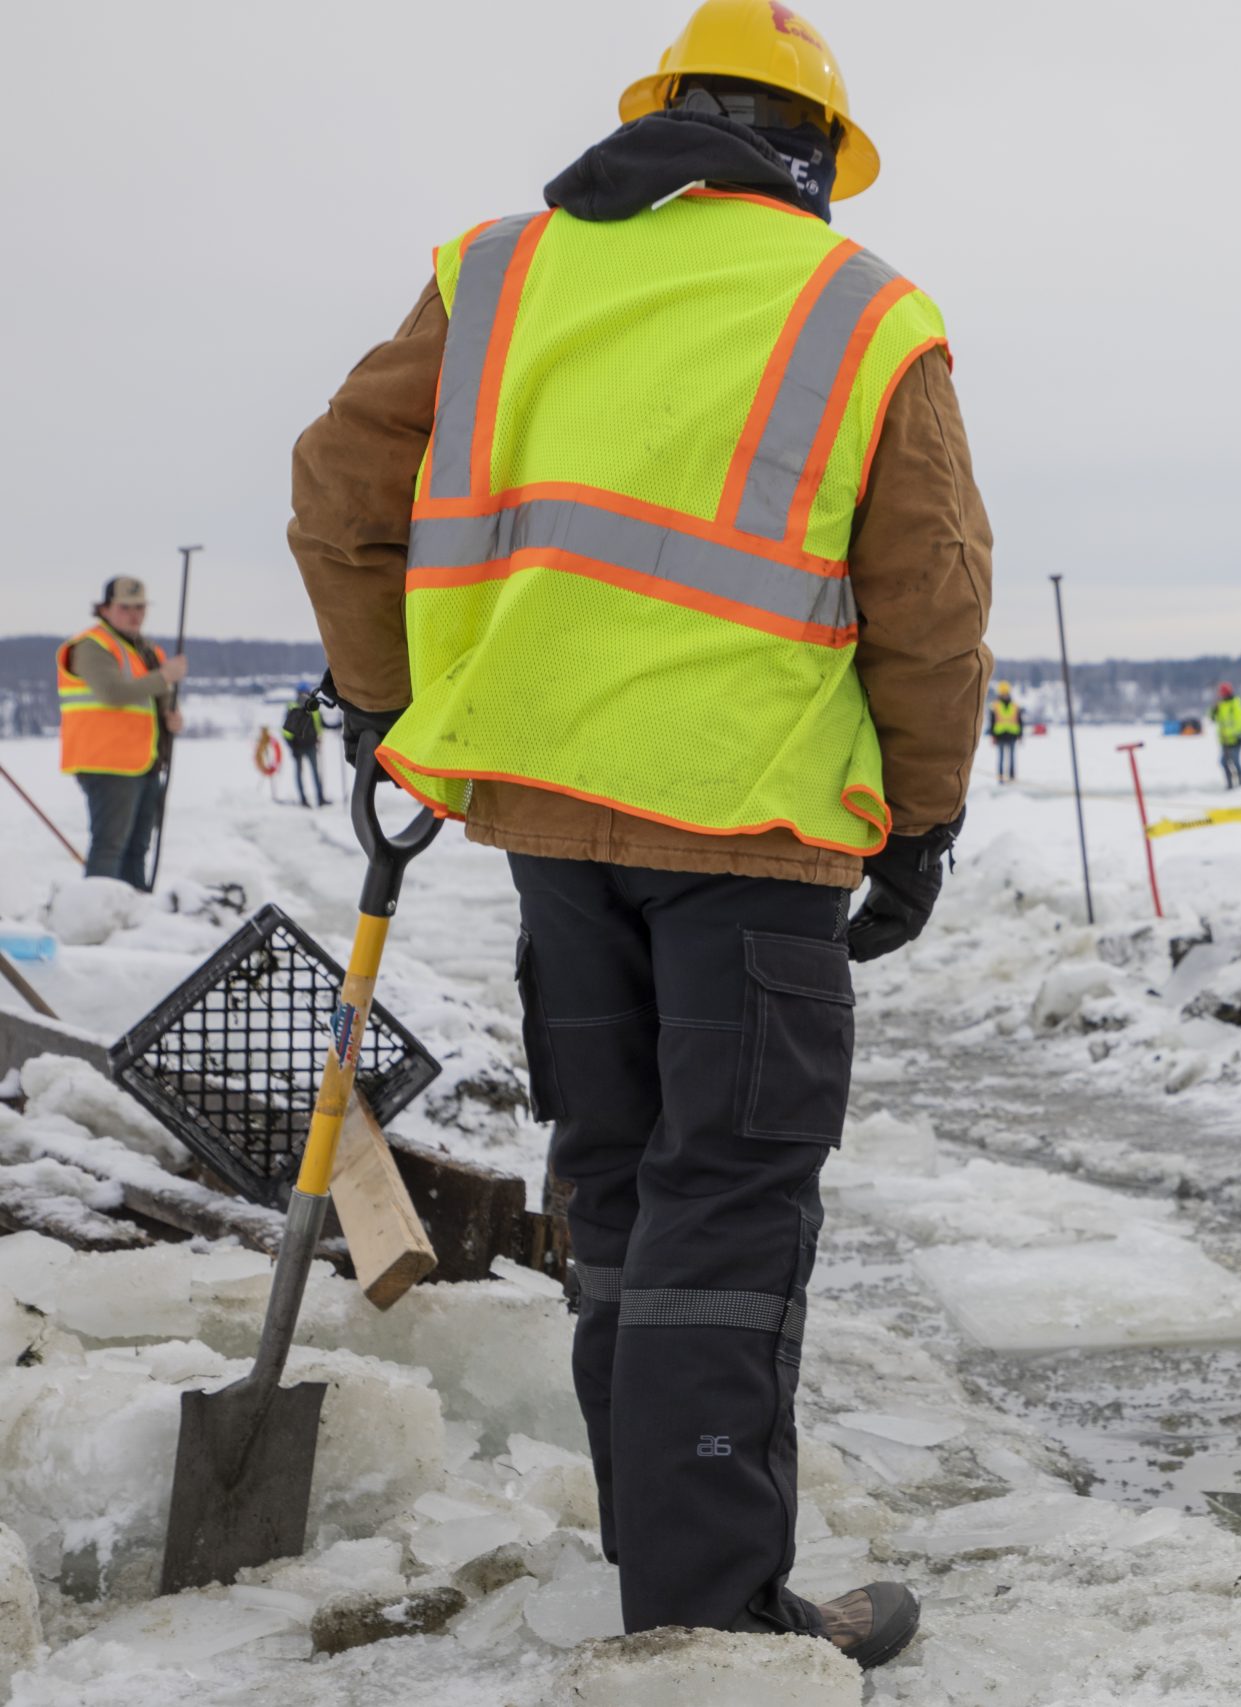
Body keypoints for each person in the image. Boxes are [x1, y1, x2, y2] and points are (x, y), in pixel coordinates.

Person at [285, 0, 991, 1668]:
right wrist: (922, 823)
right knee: (729, 1194)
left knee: (615, 1173)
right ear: (812, 155)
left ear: (667, 119)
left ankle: (665, 1559)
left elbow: (337, 488)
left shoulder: (498, 273)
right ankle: (709, 1610)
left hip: (550, 820)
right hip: (748, 827)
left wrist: (398, 706)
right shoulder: (863, 314)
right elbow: (932, 598)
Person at [56, 576, 185, 888]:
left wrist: (171, 718)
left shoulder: (147, 650)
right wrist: (164, 677)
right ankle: (97, 916)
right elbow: (112, 692)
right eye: (126, 607)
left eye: (140, 607)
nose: (134, 614)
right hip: (106, 763)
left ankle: (134, 911)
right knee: (110, 846)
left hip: (145, 761)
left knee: (137, 848)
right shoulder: (92, 645)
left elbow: (151, 703)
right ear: (105, 608)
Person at [281, 682, 331, 808]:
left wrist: (338, 725)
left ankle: (319, 798)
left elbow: (321, 724)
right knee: (301, 773)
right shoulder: (293, 707)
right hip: (299, 747)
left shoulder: (312, 707)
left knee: (313, 773)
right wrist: (292, 747)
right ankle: (304, 799)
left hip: (310, 745)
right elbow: (287, 732)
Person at [1212, 681, 1241, 788]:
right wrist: (1214, 711)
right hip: (1224, 740)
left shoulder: (1235, 704)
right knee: (1224, 762)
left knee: (1235, 761)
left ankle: (1240, 784)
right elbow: (1214, 718)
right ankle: (1230, 784)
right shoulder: (1221, 705)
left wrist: (1233, 734)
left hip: (1235, 740)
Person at [987, 680, 1021, 782]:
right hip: (1000, 735)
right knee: (1001, 757)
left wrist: (1020, 734)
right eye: (1003, 693)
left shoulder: (1015, 706)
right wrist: (992, 735)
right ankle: (1000, 776)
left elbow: (1019, 721)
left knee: (1012, 757)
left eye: (1006, 693)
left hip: (1012, 734)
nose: (1004, 695)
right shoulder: (995, 706)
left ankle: (1012, 776)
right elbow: (992, 722)